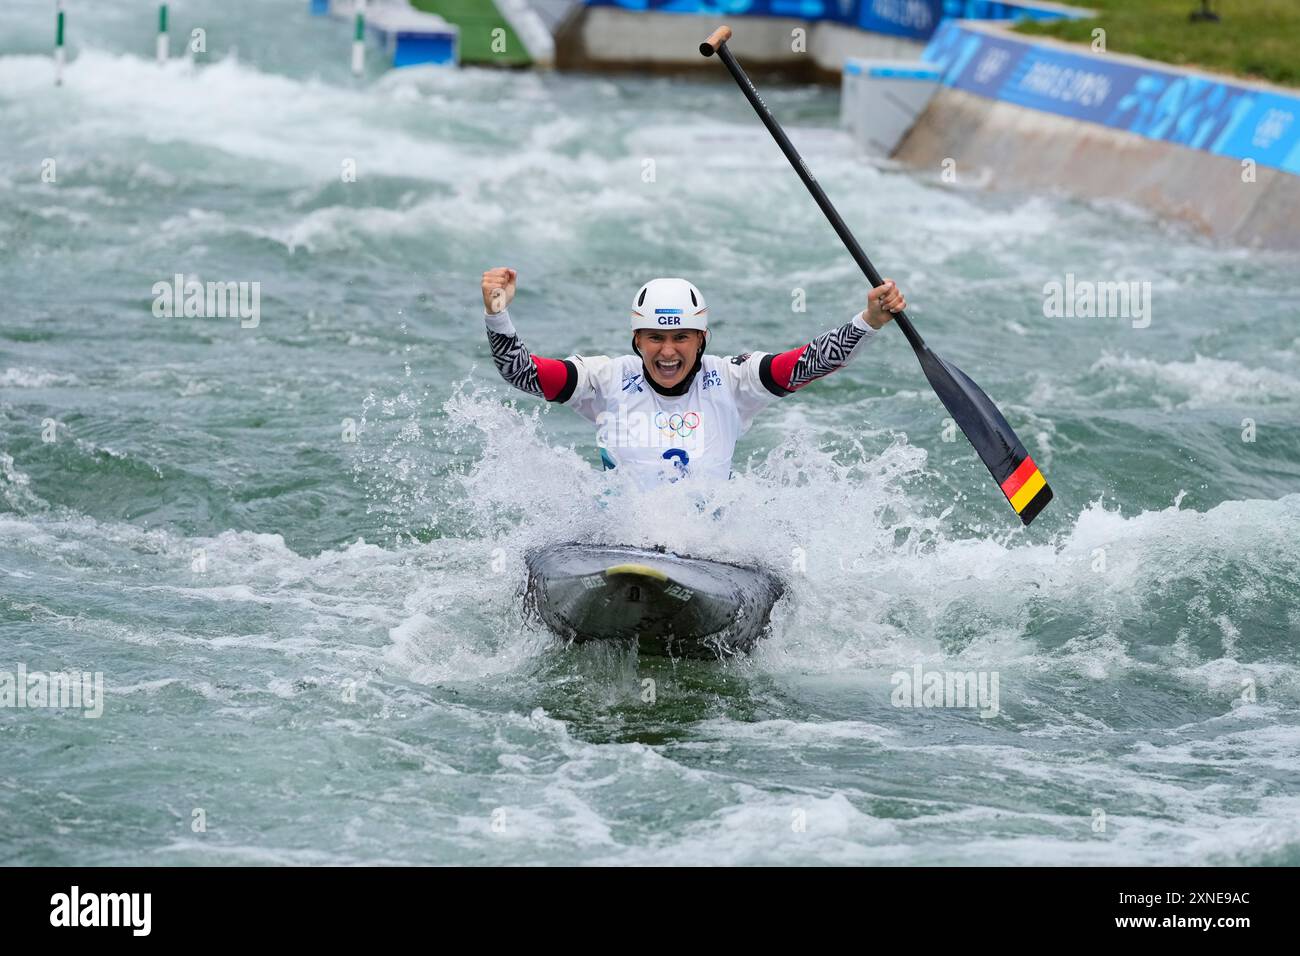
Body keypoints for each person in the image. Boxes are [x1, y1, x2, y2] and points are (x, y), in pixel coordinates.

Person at [480, 267, 905, 488]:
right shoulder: (606, 378)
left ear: (702, 338)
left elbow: (807, 363)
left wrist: (868, 321)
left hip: (707, 547)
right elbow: (524, 373)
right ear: (637, 339)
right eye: (655, 338)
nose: (667, 351)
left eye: (681, 337)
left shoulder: (734, 379)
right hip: (620, 540)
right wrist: (497, 314)